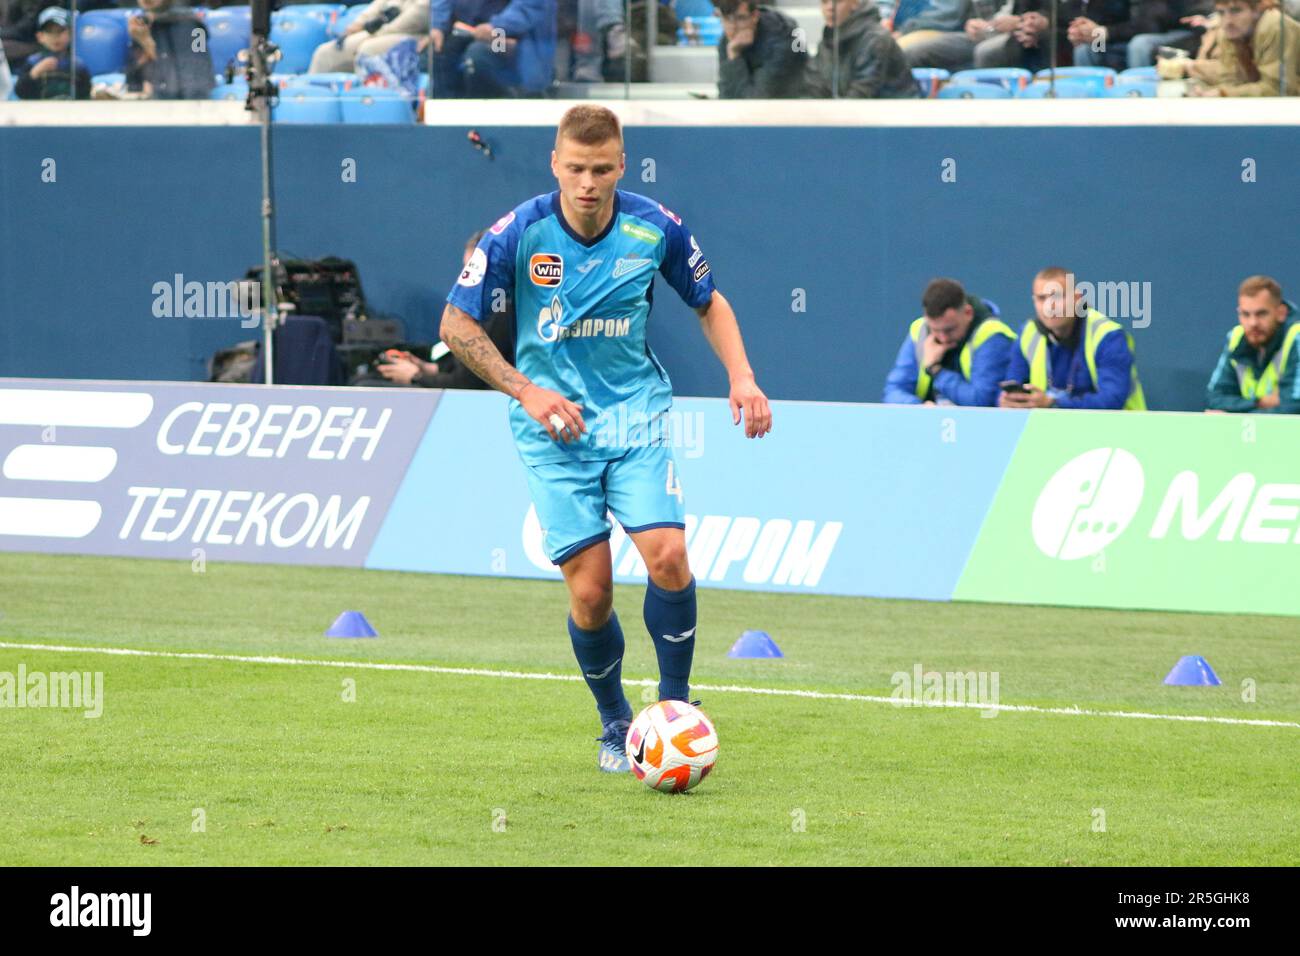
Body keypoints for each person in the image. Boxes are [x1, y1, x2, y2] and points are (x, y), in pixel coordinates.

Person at [439, 104, 772, 774]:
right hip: (556, 430)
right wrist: (526, 390)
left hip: (634, 419)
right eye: (575, 168)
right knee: (590, 593)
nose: (587, 182)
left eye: (601, 168)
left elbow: (710, 302)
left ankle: (674, 712)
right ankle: (616, 722)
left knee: (668, 556)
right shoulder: (517, 232)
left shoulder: (655, 227)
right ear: (554, 164)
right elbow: (456, 326)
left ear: (622, 164)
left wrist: (742, 377)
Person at [378, 230, 515, 388]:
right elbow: (464, 373)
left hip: (483, 403)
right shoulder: (486, 307)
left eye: (472, 269)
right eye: (466, 270)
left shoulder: (501, 310)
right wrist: (425, 368)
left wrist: (415, 376)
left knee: (367, 384)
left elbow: (465, 385)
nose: (466, 278)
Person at [1000, 266, 1146, 410]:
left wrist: (1053, 403)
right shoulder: (1028, 333)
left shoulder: (1107, 336)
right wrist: (1010, 401)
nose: (1049, 306)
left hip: (1115, 430)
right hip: (1047, 429)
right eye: (1041, 298)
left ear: (1077, 299)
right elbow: (1012, 382)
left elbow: (1111, 400)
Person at [883, 278, 1015, 406]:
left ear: (968, 313)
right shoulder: (920, 331)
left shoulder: (992, 336)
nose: (943, 338)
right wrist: (919, 408)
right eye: (935, 330)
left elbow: (982, 401)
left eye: (949, 330)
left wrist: (935, 370)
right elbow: (893, 391)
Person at [1160, 0, 1300, 94]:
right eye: (1221, 13)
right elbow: (1231, 79)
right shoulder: (1228, 31)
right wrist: (1208, 93)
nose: (1227, 21)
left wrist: (1222, 94)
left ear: (1256, 11)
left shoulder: (1275, 25)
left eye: (1236, 11)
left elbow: (1278, 89)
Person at [1205, 275, 1300, 413]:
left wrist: (1233, 418)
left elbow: (1293, 407)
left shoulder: (1296, 337)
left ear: (1281, 313)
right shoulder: (1236, 338)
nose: (1253, 323)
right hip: (1250, 433)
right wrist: (1260, 402)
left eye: (1261, 314)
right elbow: (1215, 398)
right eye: (1245, 314)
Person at [423, 0, 555, 97]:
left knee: (478, 56)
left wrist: (496, 26)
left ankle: (506, 105)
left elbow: (531, 6)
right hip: (470, 32)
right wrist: (437, 25)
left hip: (508, 38)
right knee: (439, 52)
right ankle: (448, 119)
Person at [805, 0, 919, 96]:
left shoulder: (875, 40)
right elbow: (815, 86)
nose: (830, 7)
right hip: (853, 115)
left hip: (897, 116)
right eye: (824, 2)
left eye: (838, 1)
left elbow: (863, 92)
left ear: (855, 3)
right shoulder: (827, 42)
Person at [714, 0, 807, 98]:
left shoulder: (784, 37)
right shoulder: (728, 43)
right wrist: (733, 54)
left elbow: (758, 99)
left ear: (755, 16)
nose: (733, 27)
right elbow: (725, 96)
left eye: (740, 18)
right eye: (727, 19)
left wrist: (735, 59)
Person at [125, 0, 215, 99]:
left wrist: (147, 44)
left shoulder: (195, 29)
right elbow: (133, 85)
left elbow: (195, 86)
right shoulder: (142, 25)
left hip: (182, 108)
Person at [309, 0, 429, 74]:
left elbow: (416, 19)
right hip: (381, 32)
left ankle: (368, 106)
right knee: (325, 53)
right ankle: (310, 110)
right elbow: (378, 6)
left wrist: (378, 33)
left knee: (368, 49)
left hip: (417, 35)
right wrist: (357, 24)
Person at [14, 7, 88, 99]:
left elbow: (85, 95)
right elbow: (20, 92)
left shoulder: (78, 65)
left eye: (60, 31)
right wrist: (34, 73)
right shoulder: (32, 62)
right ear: (40, 37)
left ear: (70, 34)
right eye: (49, 31)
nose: (55, 36)